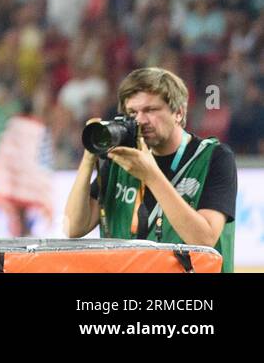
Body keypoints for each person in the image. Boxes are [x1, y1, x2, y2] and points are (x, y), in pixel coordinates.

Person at [63, 67, 236, 272]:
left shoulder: (214, 157)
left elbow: (204, 239)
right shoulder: (121, 159)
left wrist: (151, 175)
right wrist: (89, 157)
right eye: (132, 112)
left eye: (151, 110)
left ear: (179, 113)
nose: (140, 120)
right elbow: (73, 228)